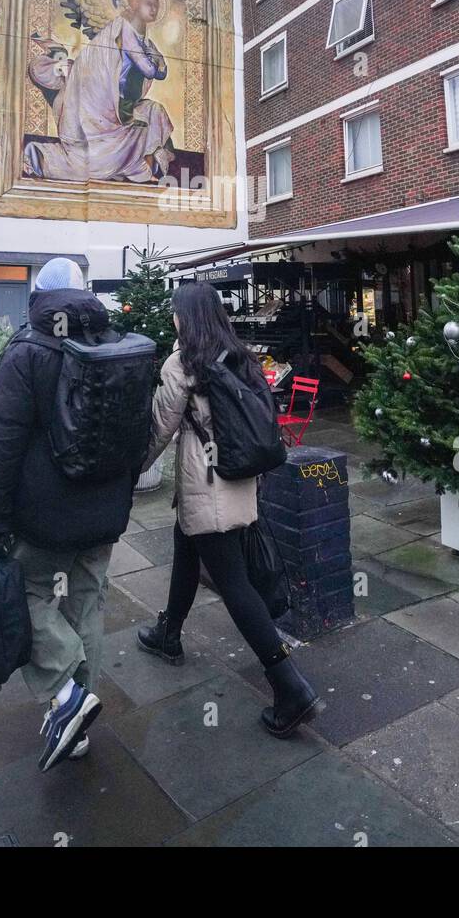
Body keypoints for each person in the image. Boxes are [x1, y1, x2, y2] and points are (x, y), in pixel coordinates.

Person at [0, 257, 135, 772]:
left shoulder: (25, 352)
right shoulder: (116, 343)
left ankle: (66, 696)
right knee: (85, 605)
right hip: (103, 511)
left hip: (44, 516)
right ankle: (77, 722)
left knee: (28, 595)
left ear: (38, 297)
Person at [137, 282, 319, 738]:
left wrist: (125, 474)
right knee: (186, 546)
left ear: (188, 318)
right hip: (238, 479)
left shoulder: (182, 363)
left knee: (234, 583)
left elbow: (160, 427)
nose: (173, 319)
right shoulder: (240, 356)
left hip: (208, 485)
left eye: (176, 313)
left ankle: (288, 684)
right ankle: (169, 632)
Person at [24, 0, 174, 185]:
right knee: (93, 156)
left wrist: (156, 62)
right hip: (102, 106)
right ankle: (43, 158)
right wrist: (156, 63)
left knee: (154, 110)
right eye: (149, 3)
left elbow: (162, 73)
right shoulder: (124, 28)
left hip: (122, 104)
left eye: (156, 5)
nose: (154, 9)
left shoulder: (145, 40)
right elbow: (150, 69)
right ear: (135, 3)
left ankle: (143, 166)